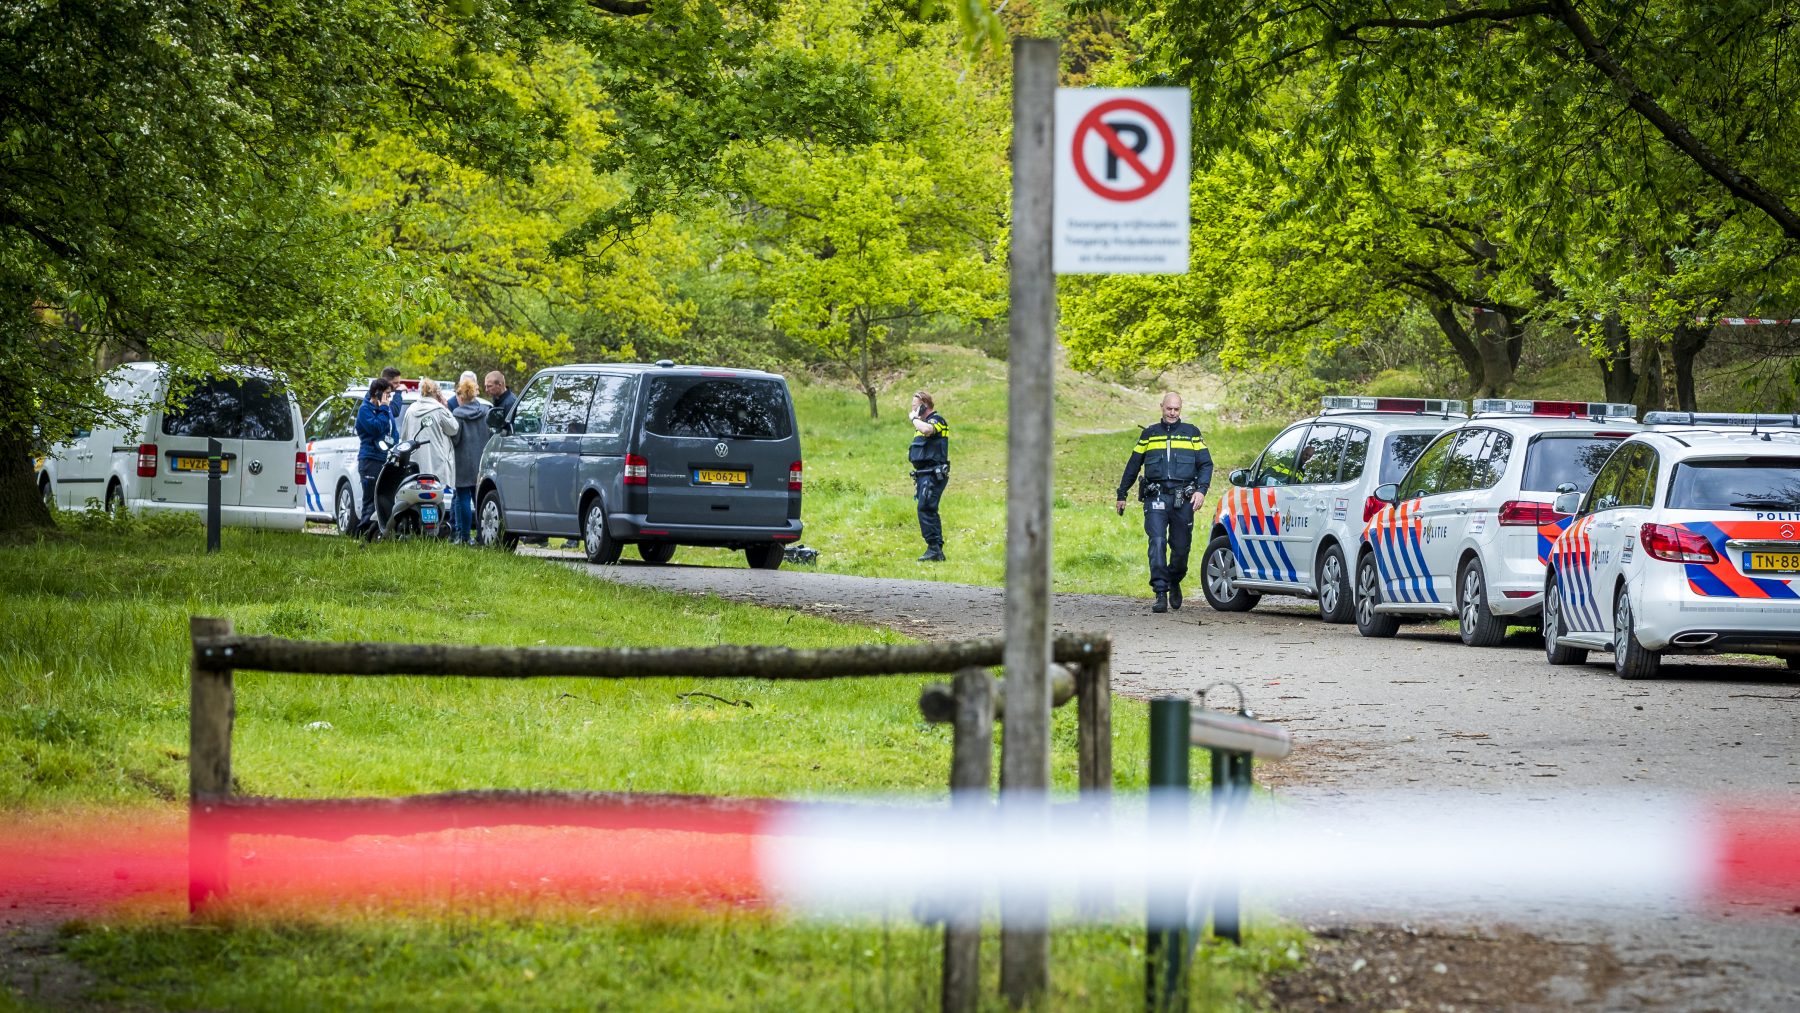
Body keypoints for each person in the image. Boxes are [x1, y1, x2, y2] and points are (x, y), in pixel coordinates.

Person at [1115, 393, 1213, 613]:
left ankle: (1174, 579)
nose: (1172, 413)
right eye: (1169, 408)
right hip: (1155, 497)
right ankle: (1160, 592)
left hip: (1183, 499)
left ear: (1181, 409)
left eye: (1176, 409)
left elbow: (1206, 464)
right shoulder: (1149, 434)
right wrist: (1122, 494)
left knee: (1181, 549)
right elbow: (1133, 466)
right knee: (1157, 542)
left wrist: (1201, 491)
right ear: (1161, 407)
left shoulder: (1192, 434)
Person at [907, 390, 950, 562]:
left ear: (924, 405)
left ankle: (935, 549)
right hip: (924, 474)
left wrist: (914, 418)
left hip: (934, 474)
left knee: (926, 508)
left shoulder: (937, 420)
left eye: (915, 406)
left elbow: (928, 430)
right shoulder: (921, 424)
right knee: (926, 508)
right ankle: (935, 549)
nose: (912, 410)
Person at [400, 378, 460, 494]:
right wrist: (445, 407)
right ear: (437, 393)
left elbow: (404, 437)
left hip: (415, 463)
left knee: (418, 494)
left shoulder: (411, 410)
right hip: (437, 462)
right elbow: (454, 429)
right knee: (436, 494)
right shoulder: (439, 410)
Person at [449, 377, 491, 544]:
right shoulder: (485, 412)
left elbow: (456, 439)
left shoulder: (457, 415)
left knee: (463, 498)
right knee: (479, 499)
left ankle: (464, 536)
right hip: (480, 460)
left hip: (462, 462)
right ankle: (482, 536)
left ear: (461, 396)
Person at [354, 377, 396, 535]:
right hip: (370, 459)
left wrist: (392, 443)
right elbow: (377, 427)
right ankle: (364, 532)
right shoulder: (365, 410)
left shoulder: (386, 410)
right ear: (377, 393)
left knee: (382, 498)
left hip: (385, 458)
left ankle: (378, 532)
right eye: (387, 394)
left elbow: (393, 432)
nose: (389, 398)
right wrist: (384, 408)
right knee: (370, 498)